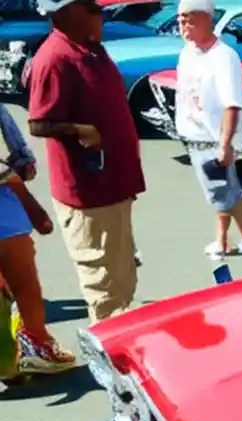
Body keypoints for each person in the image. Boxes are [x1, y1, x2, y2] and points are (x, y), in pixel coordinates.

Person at [25, 0, 143, 325]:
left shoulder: (91, 48)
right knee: (104, 288)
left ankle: (121, 347)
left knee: (122, 279)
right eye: (91, 7)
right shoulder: (54, 58)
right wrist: (80, 129)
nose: (99, 12)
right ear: (70, 12)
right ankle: (110, 362)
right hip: (89, 196)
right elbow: (39, 122)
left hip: (113, 187)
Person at [174, 0, 242, 258]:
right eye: (180, 20)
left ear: (206, 20)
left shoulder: (223, 57)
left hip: (213, 139)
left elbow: (232, 104)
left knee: (220, 194)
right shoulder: (188, 52)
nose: (184, 26)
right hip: (193, 136)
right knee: (230, 191)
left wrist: (225, 144)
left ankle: (222, 242)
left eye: (190, 20)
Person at [0, 106, 76, 375]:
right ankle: (35, 347)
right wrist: (17, 170)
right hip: (5, 209)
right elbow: (22, 159)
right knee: (25, 286)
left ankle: (14, 358)